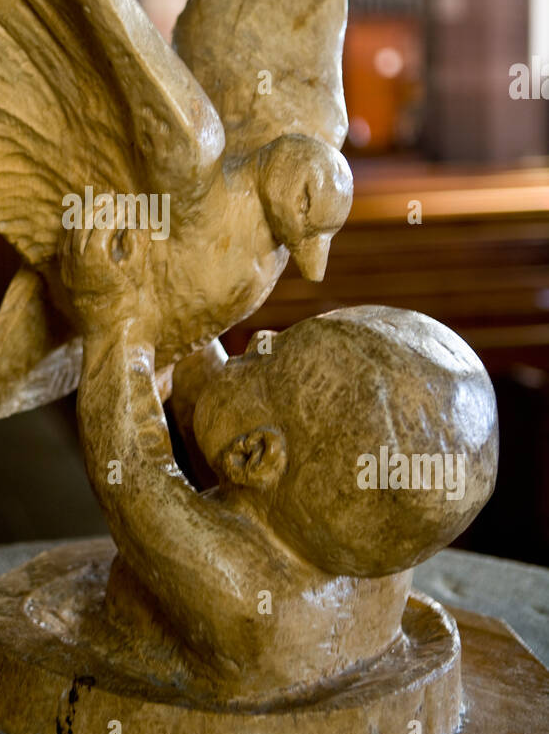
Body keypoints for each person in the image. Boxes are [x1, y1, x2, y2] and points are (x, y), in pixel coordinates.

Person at [67, 224, 498, 702]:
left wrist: (114, 316)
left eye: (267, 360)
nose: (262, 338)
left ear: (253, 457)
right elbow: (228, 426)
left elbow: (134, 474)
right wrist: (186, 319)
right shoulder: (371, 551)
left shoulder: (242, 592)